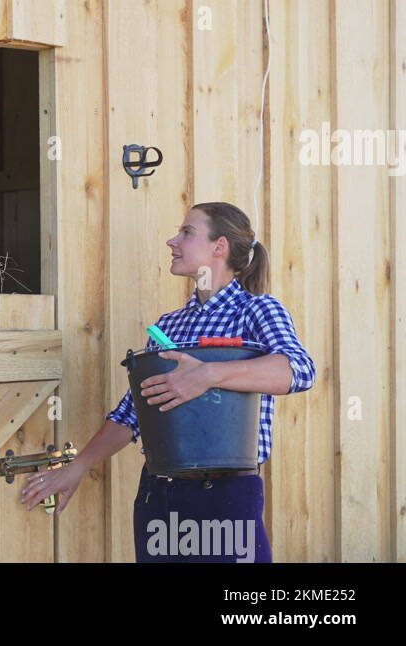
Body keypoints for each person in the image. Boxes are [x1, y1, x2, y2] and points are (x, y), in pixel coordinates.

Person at [20, 202, 315, 562]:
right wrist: (78, 467)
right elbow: (133, 414)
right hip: (159, 493)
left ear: (219, 247)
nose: (172, 241)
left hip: (225, 494)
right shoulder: (169, 326)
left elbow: (299, 370)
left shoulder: (257, 310)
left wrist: (208, 374)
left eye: (187, 232)